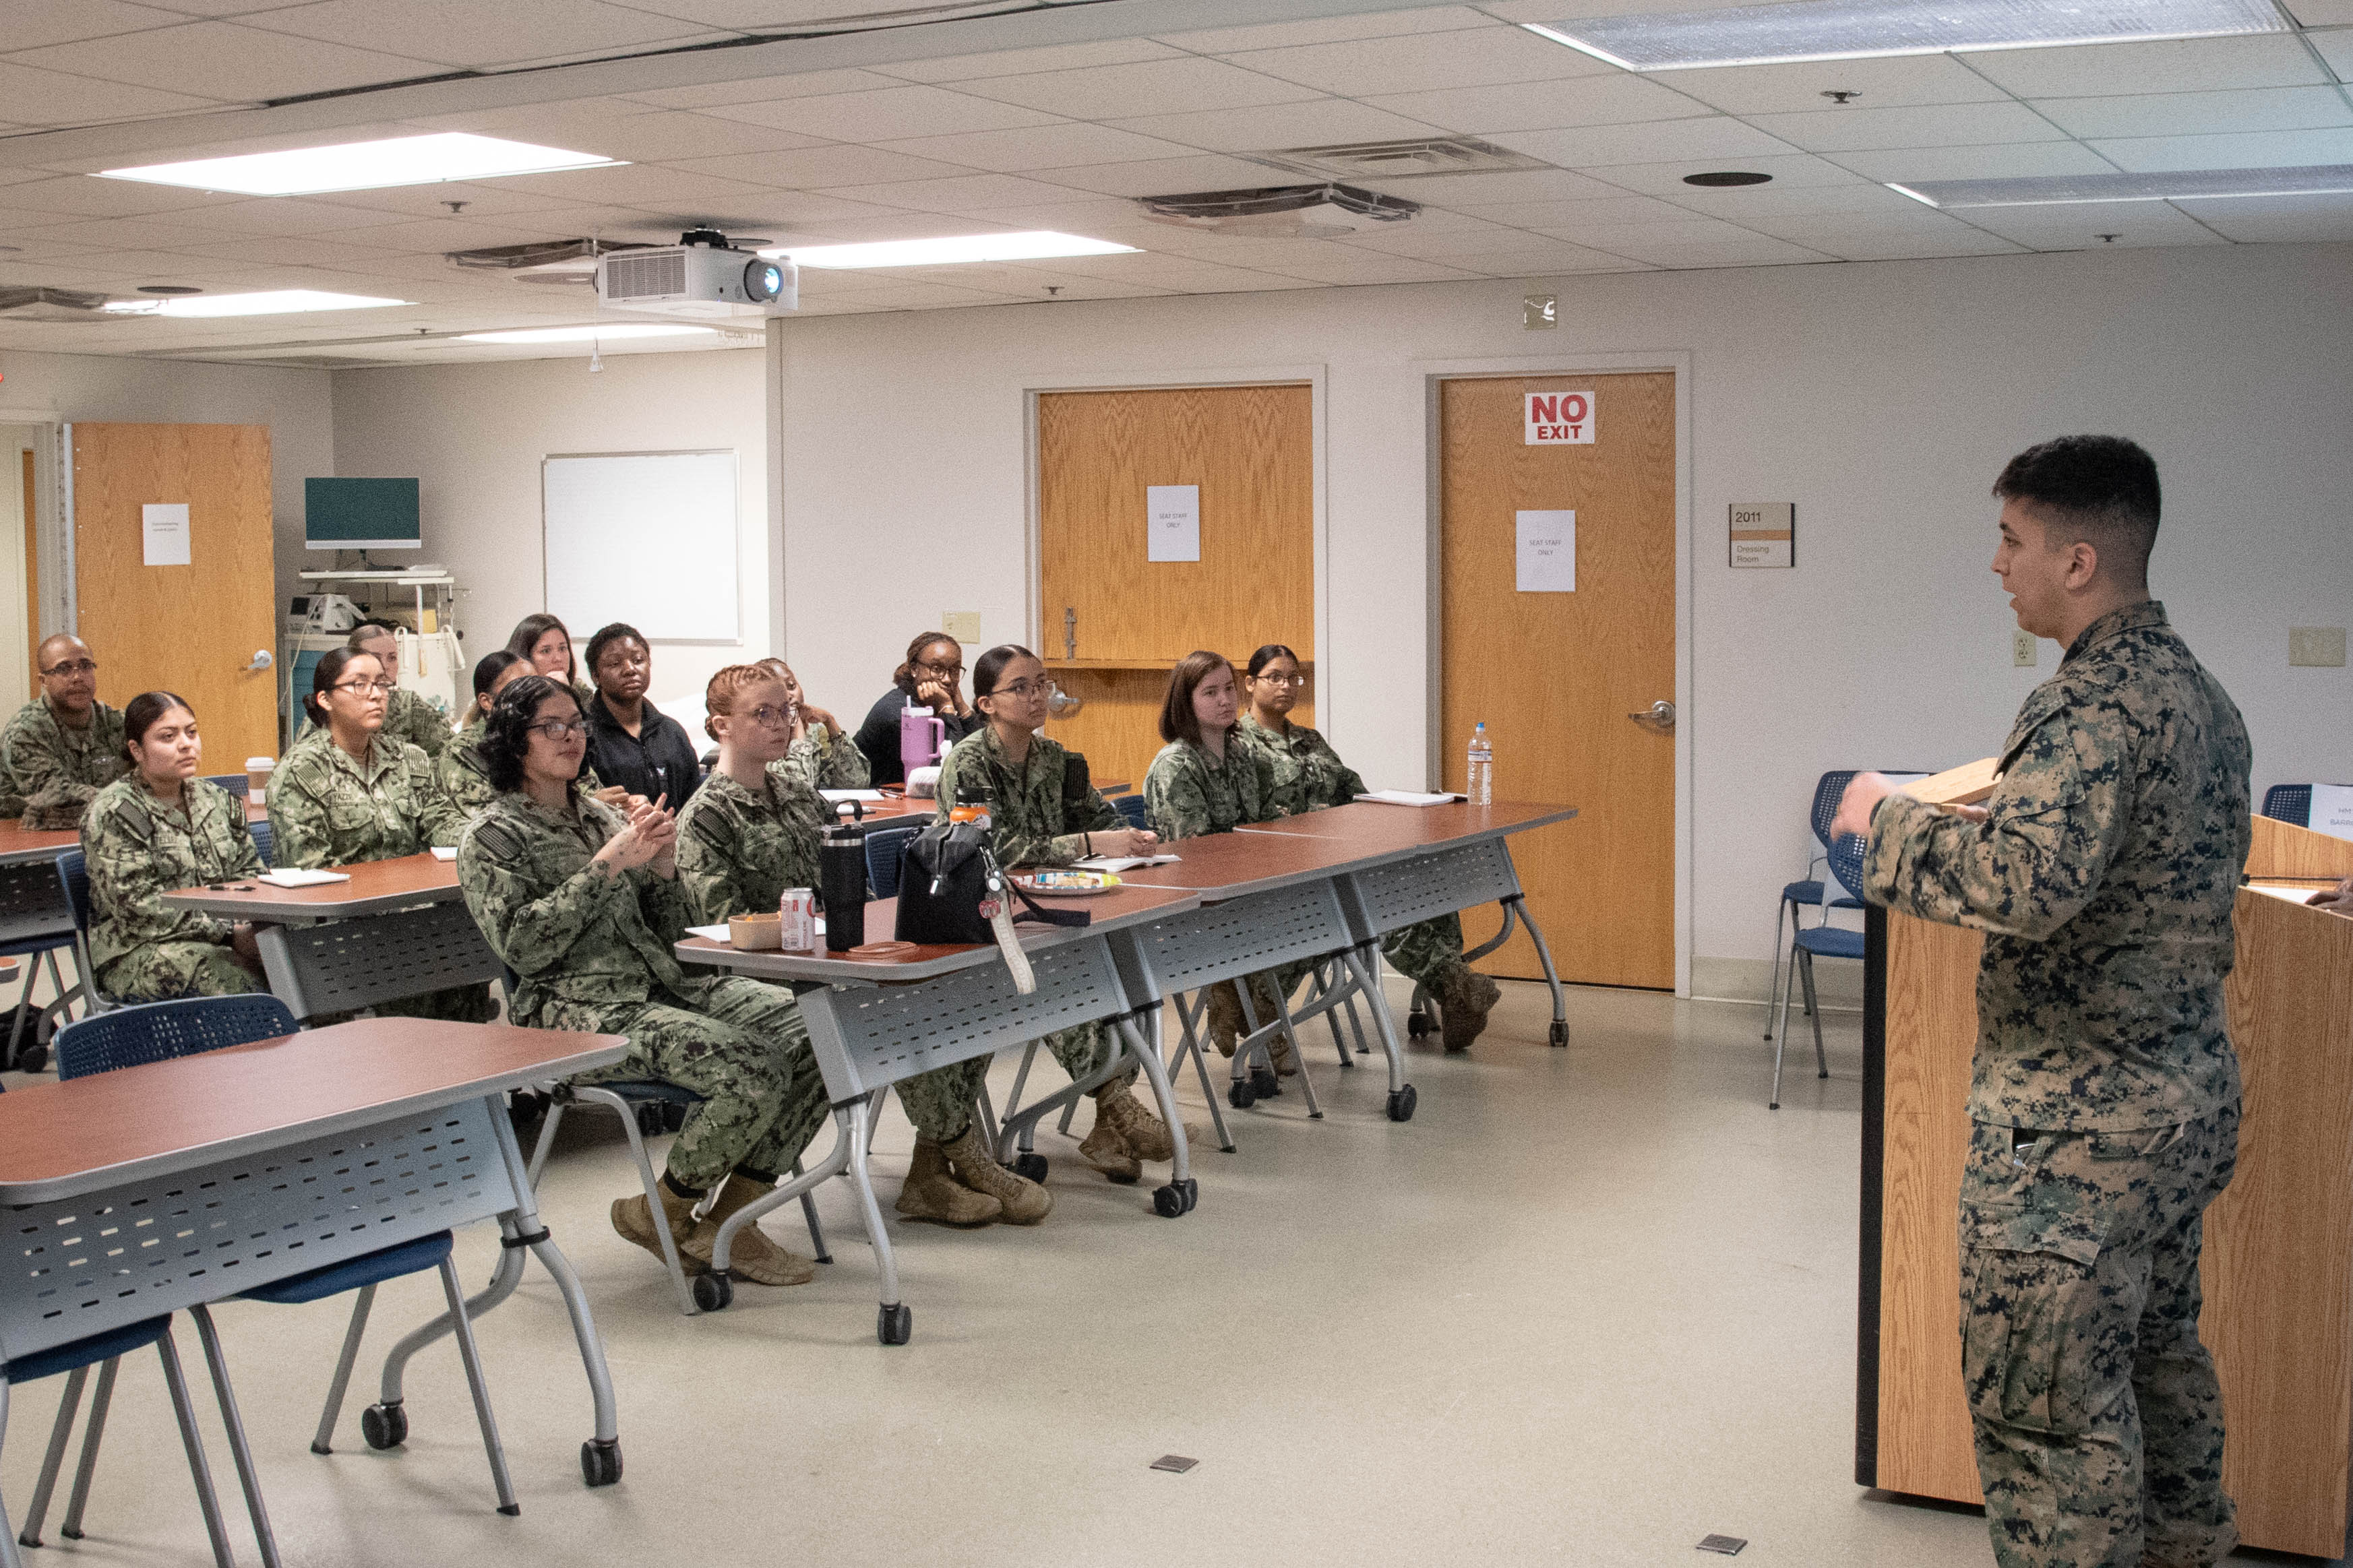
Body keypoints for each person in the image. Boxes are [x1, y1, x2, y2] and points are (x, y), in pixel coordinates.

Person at [1831, 435, 2249, 1568]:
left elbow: (2027, 883)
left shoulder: (2090, 705)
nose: (1995, 564)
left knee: (2048, 1415)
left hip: (2075, 1134)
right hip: (2180, 1104)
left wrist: (1885, 819)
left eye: (2010, 540)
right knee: (2158, 1359)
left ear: (2076, 560)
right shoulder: (2199, 695)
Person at [458, 674, 829, 1287]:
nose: (572, 737)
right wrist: (609, 865)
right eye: (553, 727)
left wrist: (660, 868)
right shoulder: (494, 836)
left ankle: (730, 1219)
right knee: (752, 1065)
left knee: (821, 1029)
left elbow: (673, 933)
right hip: (569, 1010)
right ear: (513, 742)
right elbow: (522, 946)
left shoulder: (603, 817)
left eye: (577, 725)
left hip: (656, 983)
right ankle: (663, 1210)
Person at [677, 665, 1041, 1225]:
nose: (780, 725)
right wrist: (811, 928)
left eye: (786, 712)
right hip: (763, 973)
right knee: (894, 1015)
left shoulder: (801, 797)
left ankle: (930, 1172)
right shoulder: (705, 815)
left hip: (835, 957)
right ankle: (965, 1157)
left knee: (957, 992)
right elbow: (721, 925)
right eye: (762, 714)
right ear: (719, 726)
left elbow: (857, 893)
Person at [935, 644, 1184, 1184]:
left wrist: (1133, 838)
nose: (1036, 696)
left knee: (1126, 975)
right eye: (1020, 687)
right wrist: (1092, 840)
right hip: (989, 922)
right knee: (1064, 979)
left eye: (1042, 684)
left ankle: (1106, 1122)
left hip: (1058, 910)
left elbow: (1099, 815)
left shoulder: (1058, 760)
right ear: (986, 703)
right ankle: (1115, 1099)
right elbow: (990, 848)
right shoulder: (968, 764)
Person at [1234, 644, 1502, 1051]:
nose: (1286, 686)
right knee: (1379, 907)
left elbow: (1353, 792)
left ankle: (1454, 989)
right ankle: (1455, 986)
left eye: (1294, 678)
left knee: (1424, 887)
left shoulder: (1309, 739)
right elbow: (1251, 817)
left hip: (1340, 854)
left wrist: (1397, 808)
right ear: (1250, 683)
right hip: (1289, 868)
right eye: (1275, 677)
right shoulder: (1239, 746)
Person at [270, 647, 493, 1023]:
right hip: (346, 928)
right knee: (428, 965)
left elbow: (440, 821)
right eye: (359, 685)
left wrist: (481, 840)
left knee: (475, 943)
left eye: (382, 684)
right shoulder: (299, 773)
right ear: (325, 699)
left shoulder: (409, 759)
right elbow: (310, 874)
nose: (376, 694)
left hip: (415, 913)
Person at [1145, 650, 1295, 1069]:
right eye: (1210, 692)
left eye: (1229, 688)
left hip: (1244, 891)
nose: (1225, 700)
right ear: (1185, 703)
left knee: (1317, 918)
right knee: (1298, 922)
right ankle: (1253, 1010)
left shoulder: (1242, 753)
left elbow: (1261, 829)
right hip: (1196, 905)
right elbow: (1196, 859)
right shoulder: (1177, 764)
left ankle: (1246, 1005)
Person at [81, 691, 267, 1001]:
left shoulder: (217, 800)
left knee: (304, 964)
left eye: (192, 733)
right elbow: (140, 907)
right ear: (137, 750)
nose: (186, 744)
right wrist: (230, 935)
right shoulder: (114, 812)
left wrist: (255, 927)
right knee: (237, 981)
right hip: (140, 951)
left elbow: (252, 875)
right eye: (168, 737)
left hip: (228, 938)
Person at [439, 649, 613, 829]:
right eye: (520, 686)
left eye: (537, 683)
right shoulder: (463, 750)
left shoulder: (561, 735)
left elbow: (590, 790)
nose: (534, 693)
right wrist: (590, 806)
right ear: (487, 701)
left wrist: (615, 807)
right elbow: (488, 822)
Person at [1, 633, 127, 827]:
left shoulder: (117, 722)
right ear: (44, 681)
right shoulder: (24, 732)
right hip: (29, 843)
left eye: (85, 666)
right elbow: (56, 794)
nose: (77, 677)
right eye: (64, 669)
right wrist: (129, 801)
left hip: (100, 830)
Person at [580, 622, 702, 809]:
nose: (630, 669)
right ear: (595, 676)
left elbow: (694, 801)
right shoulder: (583, 735)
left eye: (638, 660)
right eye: (615, 663)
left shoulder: (672, 731)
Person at [855, 633, 982, 788]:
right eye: (937, 669)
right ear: (914, 668)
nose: (948, 679)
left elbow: (981, 754)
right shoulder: (901, 713)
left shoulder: (931, 703)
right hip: (874, 805)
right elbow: (946, 770)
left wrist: (961, 706)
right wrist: (947, 706)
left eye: (954, 670)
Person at [754, 658, 869, 790]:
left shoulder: (815, 731)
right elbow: (798, 790)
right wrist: (798, 729)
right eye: (778, 691)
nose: (790, 695)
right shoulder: (761, 736)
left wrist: (830, 722)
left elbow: (857, 783)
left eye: (792, 686)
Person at [507, 612, 596, 712]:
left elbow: (585, 726)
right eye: (546, 651)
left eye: (562, 648)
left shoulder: (579, 690)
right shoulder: (511, 697)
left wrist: (566, 695)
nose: (558, 658)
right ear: (526, 656)